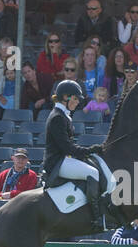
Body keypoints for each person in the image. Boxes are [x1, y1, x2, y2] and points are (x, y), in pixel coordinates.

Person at [44, 80, 108, 229]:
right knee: (92, 173)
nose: (78, 102)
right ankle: (96, 217)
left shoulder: (63, 115)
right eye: (75, 98)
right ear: (65, 97)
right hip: (57, 162)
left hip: (64, 159)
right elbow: (68, 148)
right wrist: (91, 150)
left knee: (94, 166)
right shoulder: (58, 117)